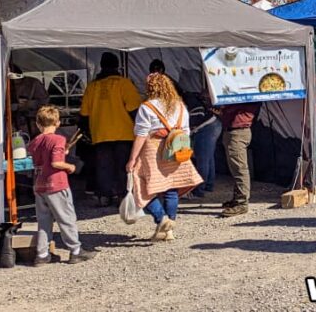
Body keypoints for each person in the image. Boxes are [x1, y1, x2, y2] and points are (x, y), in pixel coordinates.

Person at [126, 73, 202, 241]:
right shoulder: (181, 106)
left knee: (142, 187)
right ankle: (169, 229)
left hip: (152, 150)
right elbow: (186, 131)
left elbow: (141, 134)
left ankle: (162, 218)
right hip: (175, 149)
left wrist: (132, 159)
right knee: (171, 189)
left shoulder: (147, 107)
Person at [29, 106, 97, 265]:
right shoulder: (58, 139)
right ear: (58, 122)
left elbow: (41, 156)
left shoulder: (35, 141)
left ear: (38, 124)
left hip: (39, 184)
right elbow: (56, 162)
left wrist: (61, 153)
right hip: (56, 184)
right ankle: (75, 250)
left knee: (44, 221)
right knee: (66, 218)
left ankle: (42, 254)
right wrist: (70, 167)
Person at [80, 52, 142, 207]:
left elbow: (84, 114)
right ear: (117, 66)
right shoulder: (124, 83)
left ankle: (104, 196)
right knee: (123, 166)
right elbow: (135, 110)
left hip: (100, 134)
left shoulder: (92, 87)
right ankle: (123, 196)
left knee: (103, 167)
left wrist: (88, 132)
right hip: (124, 133)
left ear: (101, 66)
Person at [183, 71, 220, 198]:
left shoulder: (188, 100)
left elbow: (196, 117)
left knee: (202, 158)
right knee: (208, 157)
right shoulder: (192, 97)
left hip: (206, 127)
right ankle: (209, 184)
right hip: (214, 123)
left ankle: (199, 188)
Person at [218, 102, 259, 217]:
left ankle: (242, 203)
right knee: (236, 168)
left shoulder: (246, 96)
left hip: (238, 132)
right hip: (234, 131)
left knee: (240, 169)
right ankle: (238, 198)